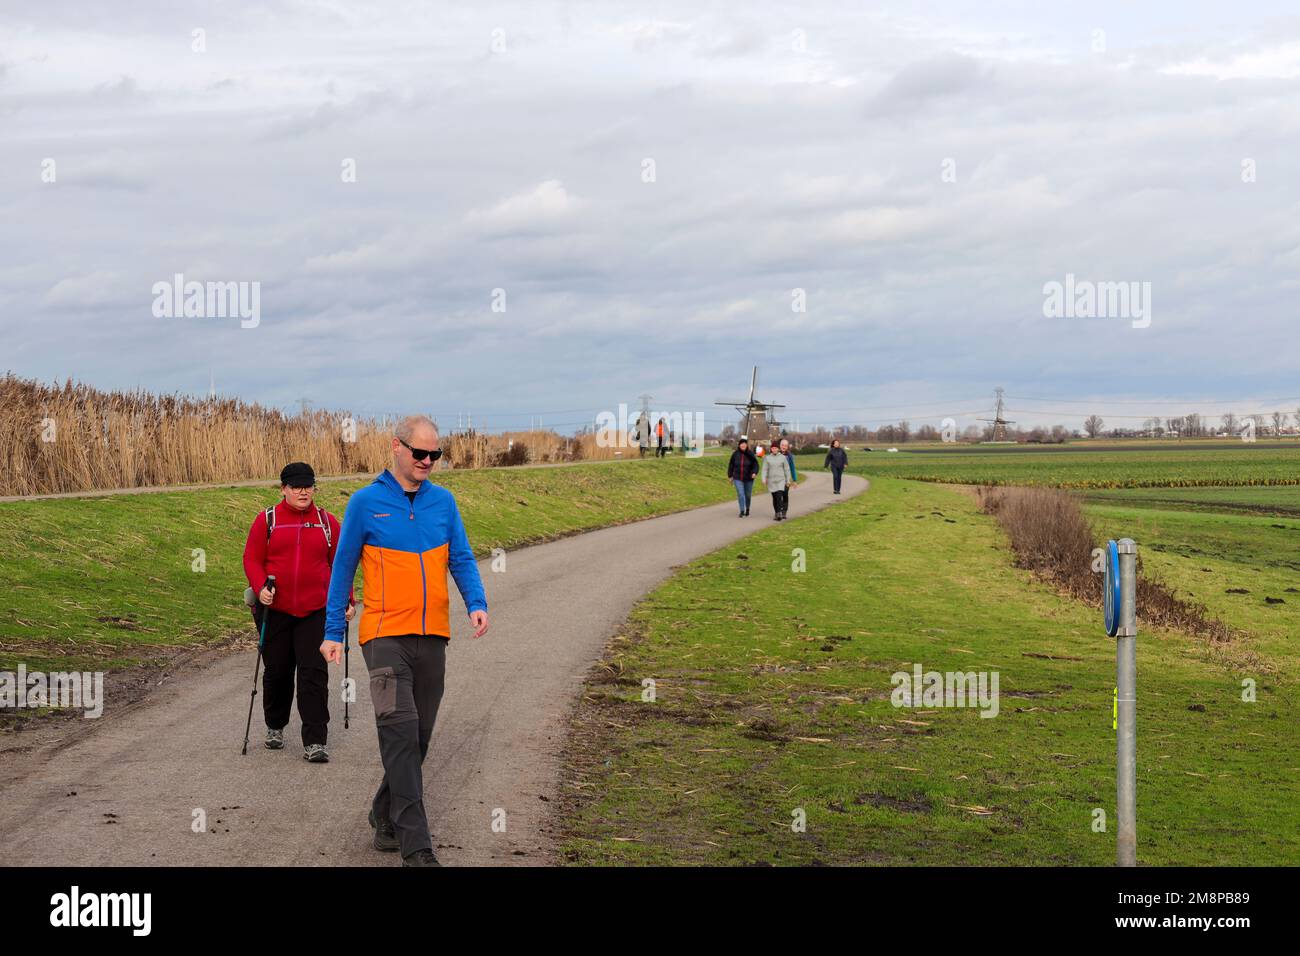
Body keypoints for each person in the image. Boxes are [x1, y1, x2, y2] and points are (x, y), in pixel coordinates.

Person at [322, 416, 489, 868]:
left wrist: (476, 602)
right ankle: (418, 850)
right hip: (382, 637)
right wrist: (332, 631)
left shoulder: (444, 502)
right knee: (398, 733)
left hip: (432, 636)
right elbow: (342, 569)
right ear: (396, 447)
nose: (428, 461)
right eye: (420, 453)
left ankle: (384, 813)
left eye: (435, 454)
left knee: (417, 738)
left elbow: (461, 556)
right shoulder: (364, 503)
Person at [242, 462, 354, 762]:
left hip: (315, 610)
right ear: (284, 489)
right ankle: (275, 725)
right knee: (277, 672)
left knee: (313, 673)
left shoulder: (327, 523)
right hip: (275, 609)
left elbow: (341, 564)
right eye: (296, 487)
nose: (303, 492)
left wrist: (347, 600)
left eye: (308, 486)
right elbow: (251, 558)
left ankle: (315, 741)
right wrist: (260, 587)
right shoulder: (267, 520)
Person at [761, 440, 792, 520]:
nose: (774, 449)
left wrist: (788, 480)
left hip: (781, 480)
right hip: (771, 481)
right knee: (775, 498)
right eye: (773, 448)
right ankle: (777, 512)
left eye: (775, 448)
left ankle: (779, 513)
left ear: (778, 449)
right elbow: (764, 469)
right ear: (771, 449)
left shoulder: (783, 458)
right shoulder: (767, 458)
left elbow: (787, 470)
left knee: (779, 496)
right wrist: (763, 479)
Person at [727, 437, 758, 517]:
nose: (743, 445)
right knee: (741, 494)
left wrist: (754, 472)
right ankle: (742, 510)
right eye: (741, 444)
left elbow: (755, 465)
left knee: (748, 495)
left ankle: (747, 508)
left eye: (744, 444)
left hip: (749, 478)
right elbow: (731, 465)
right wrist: (730, 476)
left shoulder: (750, 454)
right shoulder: (735, 454)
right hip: (737, 478)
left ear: (746, 445)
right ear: (739, 445)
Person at [780, 438, 798, 515]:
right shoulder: (775, 454)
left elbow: (792, 468)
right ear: (780, 445)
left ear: (787, 447)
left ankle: (784, 511)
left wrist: (794, 480)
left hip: (786, 479)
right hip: (776, 479)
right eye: (782, 445)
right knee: (778, 495)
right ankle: (779, 510)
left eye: (785, 446)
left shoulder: (789, 456)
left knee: (785, 494)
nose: (784, 447)